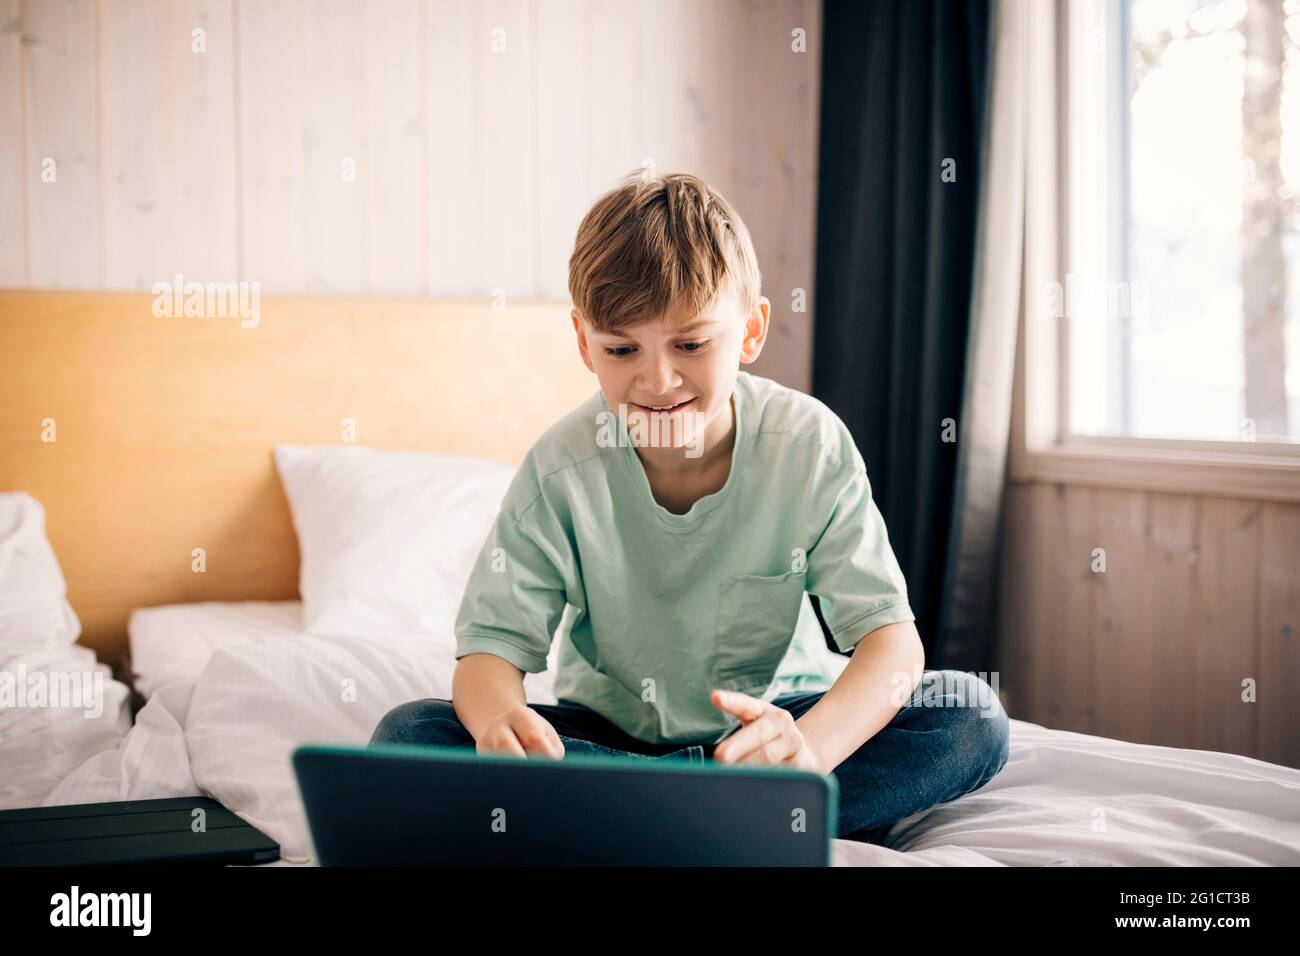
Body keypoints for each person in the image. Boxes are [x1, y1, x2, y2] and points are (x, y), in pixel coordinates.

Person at [370, 169, 1009, 843]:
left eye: (691, 343)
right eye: (622, 349)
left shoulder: (808, 445)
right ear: (585, 345)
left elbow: (891, 643)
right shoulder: (561, 469)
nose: (658, 380)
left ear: (752, 330)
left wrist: (807, 755)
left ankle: (657, 819)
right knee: (411, 733)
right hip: (609, 739)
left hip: (775, 730)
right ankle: (722, 821)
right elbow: (488, 656)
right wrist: (503, 722)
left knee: (968, 713)